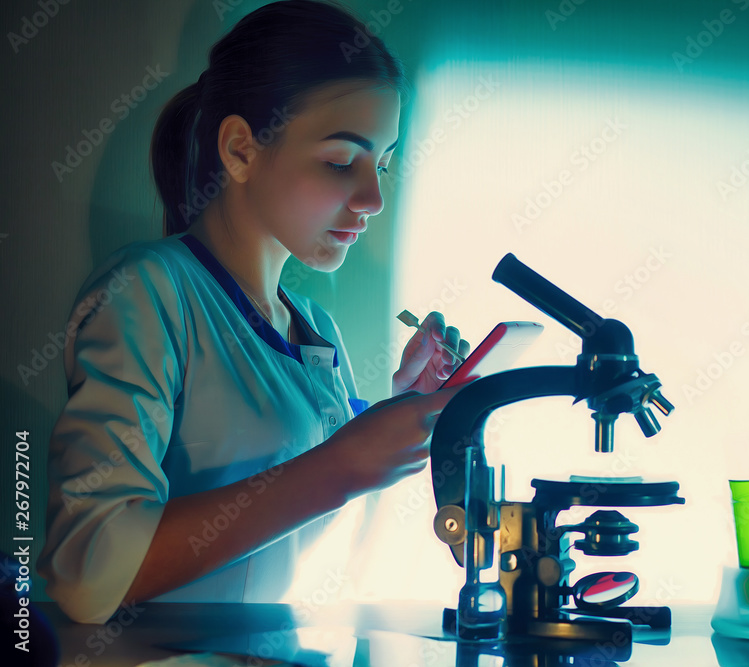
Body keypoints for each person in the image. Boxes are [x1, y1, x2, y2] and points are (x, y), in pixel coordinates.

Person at [38, 0, 469, 624]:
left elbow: (302, 505)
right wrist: (339, 467)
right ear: (241, 149)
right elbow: (88, 572)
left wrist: (400, 412)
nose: (374, 197)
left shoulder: (315, 329)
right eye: (340, 162)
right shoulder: (147, 291)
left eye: (381, 163)